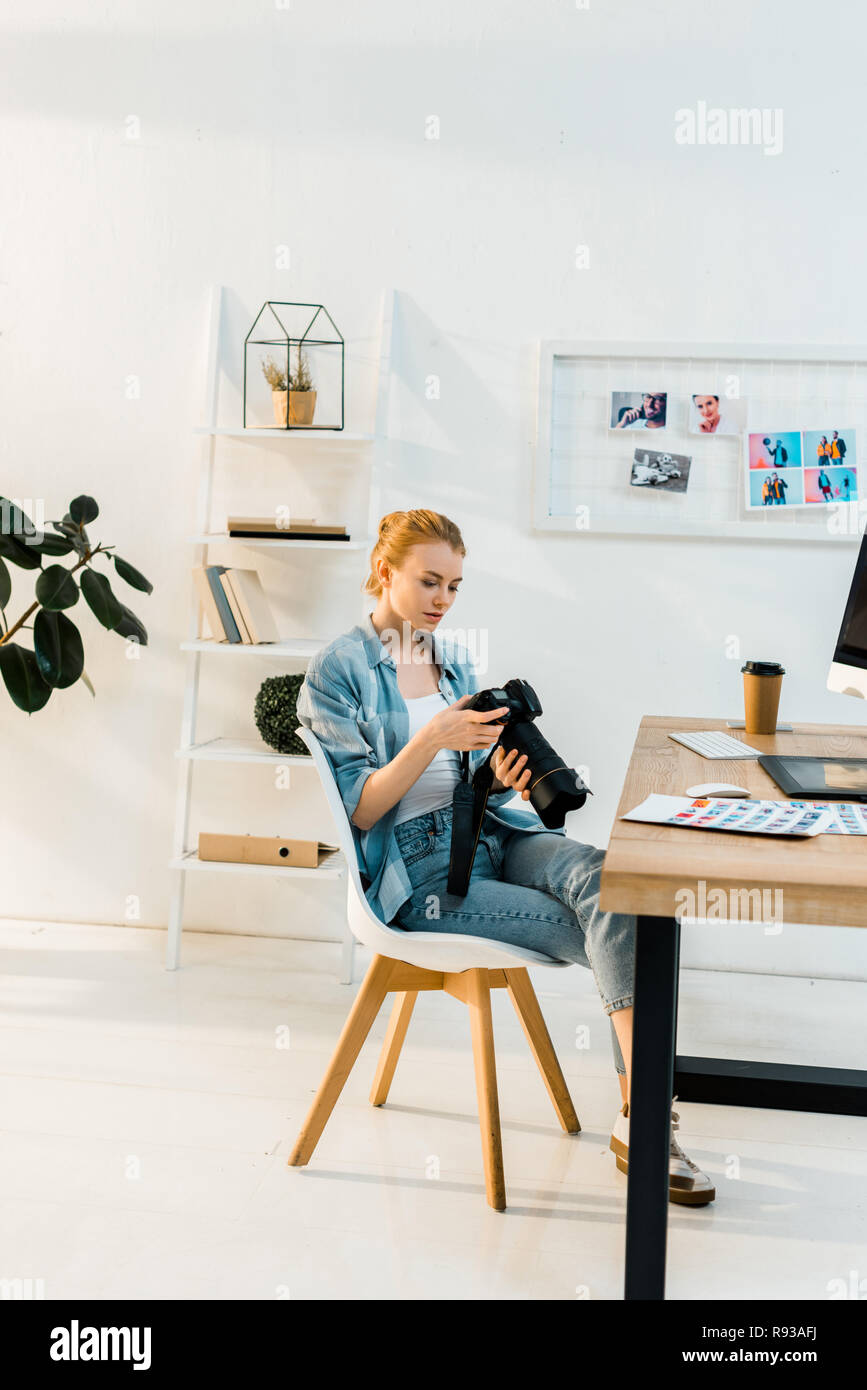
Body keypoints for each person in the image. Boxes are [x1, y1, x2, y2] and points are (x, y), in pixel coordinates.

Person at [296, 508, 714, 1205]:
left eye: (454, 586)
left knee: (617, 881)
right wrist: (432, 737)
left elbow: (469, 773)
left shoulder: (451, 659)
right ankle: (646, 1125)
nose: (441, 600)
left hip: (487, 828)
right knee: (628, 928)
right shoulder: (338, 668)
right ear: (384, 571)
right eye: (429, 581)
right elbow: (361, 808)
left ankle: (640, 1120)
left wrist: (502, 772)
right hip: (418, 870)